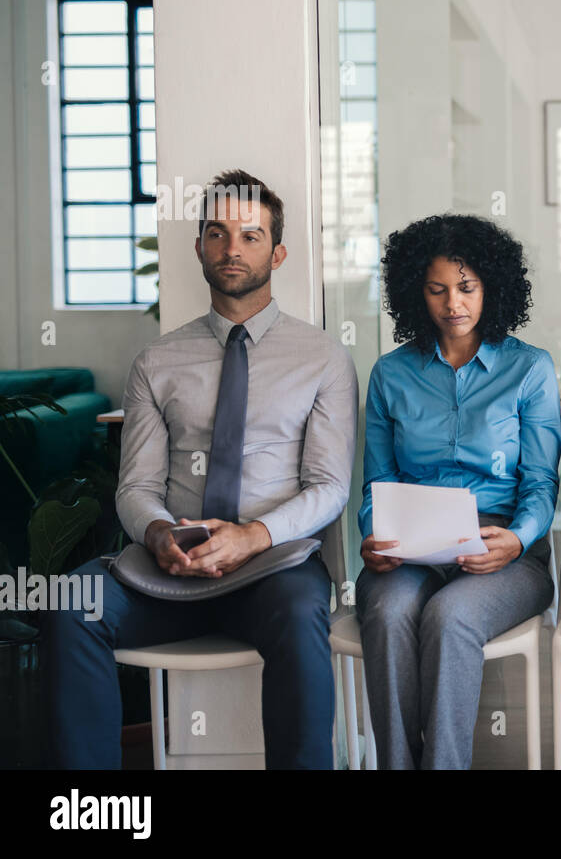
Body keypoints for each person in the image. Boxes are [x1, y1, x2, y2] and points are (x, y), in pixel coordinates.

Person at [46, 168, 358, 768]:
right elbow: (136, 485)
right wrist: (160, 532)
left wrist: (251, 537)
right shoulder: (158, 360)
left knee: (300, 614)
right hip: (171, 567)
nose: (232, 248)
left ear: (278, 250)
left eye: (250, 235)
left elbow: (329, 487)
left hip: (273, 567)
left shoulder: (321, 357)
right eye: (217, 233)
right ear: (198, 248)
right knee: (73, 600)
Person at [355, 215, 560, 770]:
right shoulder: (390, 375)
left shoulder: (530, 369)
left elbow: (542, 484)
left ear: (491, 287)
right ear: (414, 293)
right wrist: (374, 534)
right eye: (437, 289)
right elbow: (376, 484)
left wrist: (516, 540)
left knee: (450, 617)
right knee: (390, 612)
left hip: (504, 550)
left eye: (466, 287)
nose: (453, 303)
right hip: (411, 546)